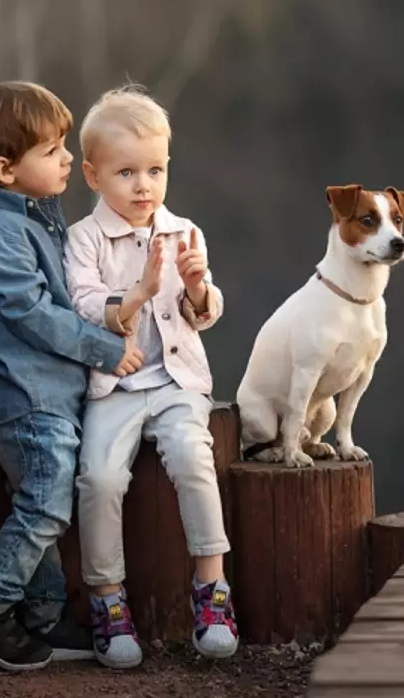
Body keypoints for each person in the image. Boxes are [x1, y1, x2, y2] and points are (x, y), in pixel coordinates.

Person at [0, 81, 144, 672]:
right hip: (24, 403)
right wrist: (104, 349)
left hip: (49, 399)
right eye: (53, 150)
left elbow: (73, 293)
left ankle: (43, 615)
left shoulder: (38, 220)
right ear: (6, 168)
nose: (66, 159)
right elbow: (32, 315)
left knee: (43, 505)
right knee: (46, 507)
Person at [64, 85, 238, 668]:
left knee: (195, 460)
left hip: (174, 383)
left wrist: (195, 287)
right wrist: (136, 293)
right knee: (99, 479)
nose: (144, 186)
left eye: (156, 170)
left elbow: (205, 314)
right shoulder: (83, 240)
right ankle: (108, 601)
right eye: (127, 172)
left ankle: (212, 589)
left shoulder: (184, 230)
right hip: (112, 387)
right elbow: (86, 306)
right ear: (92, 175)